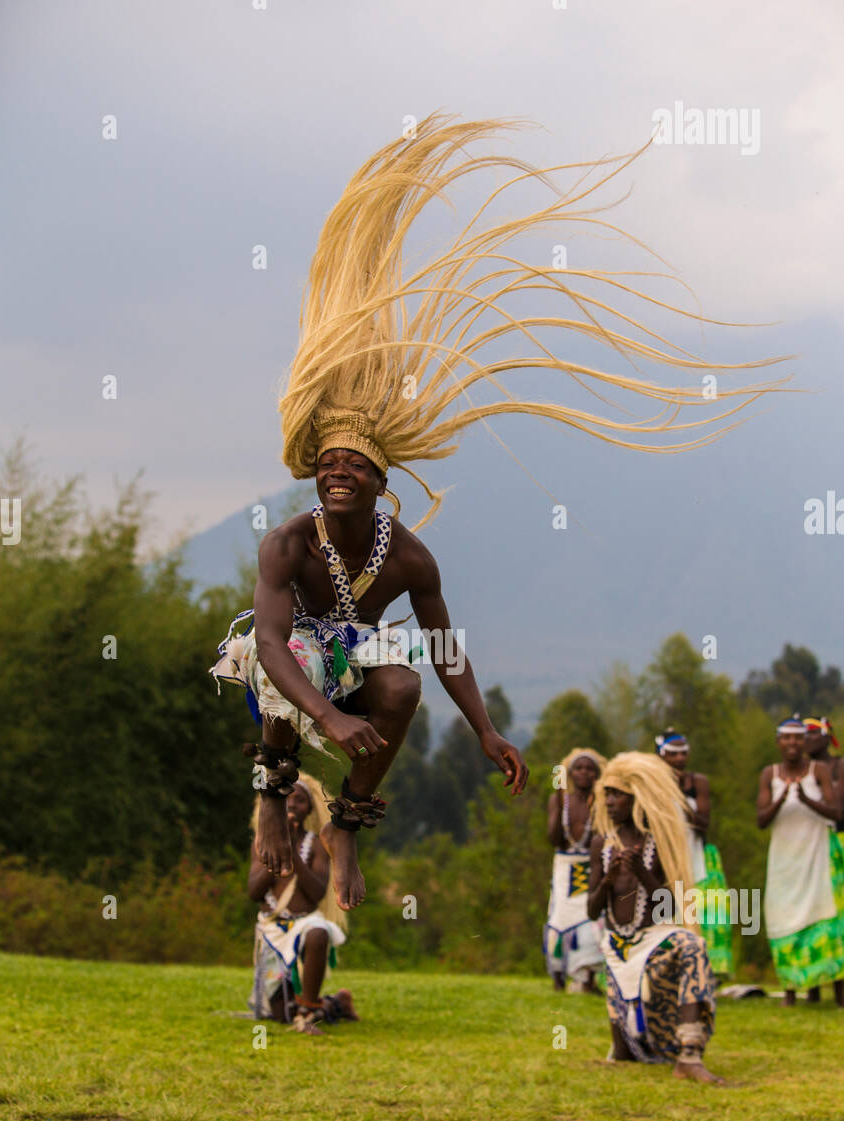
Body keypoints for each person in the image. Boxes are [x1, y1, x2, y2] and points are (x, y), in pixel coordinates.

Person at [209, 115, 779, 912]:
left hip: (355, 654)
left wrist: (484, 730)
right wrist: (326, 726)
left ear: (380, 483)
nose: (335, 474)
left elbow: (445, 648)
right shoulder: (287, 544)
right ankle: (271, 799)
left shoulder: (407, 557)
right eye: (327, 464)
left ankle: (349, 827)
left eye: (353, 467)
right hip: (291, 668)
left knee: (402, 687)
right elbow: (269, 642)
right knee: (290, 669)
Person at [587, 752, 722, 1083]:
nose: (609, 802)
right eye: (606, 794)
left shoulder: (658, 843)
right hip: (617, 947)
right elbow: (591, 910)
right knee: (626, 1052)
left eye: (616, 794)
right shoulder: (600, 844)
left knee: (692, 945)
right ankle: (638, 1041)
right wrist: (608, 878)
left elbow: (669, 906)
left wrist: (642, 872)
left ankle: (690, 1054)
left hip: (653, 939)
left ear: (636, 800)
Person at [247, 774, 356, 1035]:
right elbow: (254, 892)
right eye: (286, 798)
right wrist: (280, 846)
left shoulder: (318, 844)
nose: (292, 804)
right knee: (281, 1014)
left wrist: (293, 853)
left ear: (309, 808)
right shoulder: (262, 843)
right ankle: (335, 1003)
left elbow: (317, 892)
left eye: (300, 800)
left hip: (305, 922)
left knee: (318, 932)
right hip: (273, 930)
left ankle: (308, 1011)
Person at [756, 715, 844, 1006]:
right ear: (778, 742)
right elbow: (761, 820)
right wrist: (782, 799)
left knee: (823, 915)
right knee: (783, 916)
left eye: (798, 737)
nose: (793, 743)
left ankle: (834, 990)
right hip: (784, 860)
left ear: (804, 742)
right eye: (787, 738)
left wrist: (806, 799)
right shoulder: (769, 774)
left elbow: (836, 812)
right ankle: (792, 991)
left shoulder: (818, 771)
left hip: (816, 856)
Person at [656, 728, 733, 977]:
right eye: (673, 754)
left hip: (695, 857)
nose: (679, 759)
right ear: (661, 755)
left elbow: (703, 823)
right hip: (664, 858)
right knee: (668, 913)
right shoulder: (653, 783)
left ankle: (702, 970)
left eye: (683, 754)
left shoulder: (697, 782)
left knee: (700, 914)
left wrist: (678, 796)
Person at [543, 749, 606, 992]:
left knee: (590, 919)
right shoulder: (560, 800)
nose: (584, 773)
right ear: (570, 773)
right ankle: (558, 976)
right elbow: (554, 839)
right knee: (558, 917)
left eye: (590, 769)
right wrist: (559, 804)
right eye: (578, 768)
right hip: (564, 866)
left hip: (592, 866)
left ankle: (588, 978)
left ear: (597, 775)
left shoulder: (603, 802)